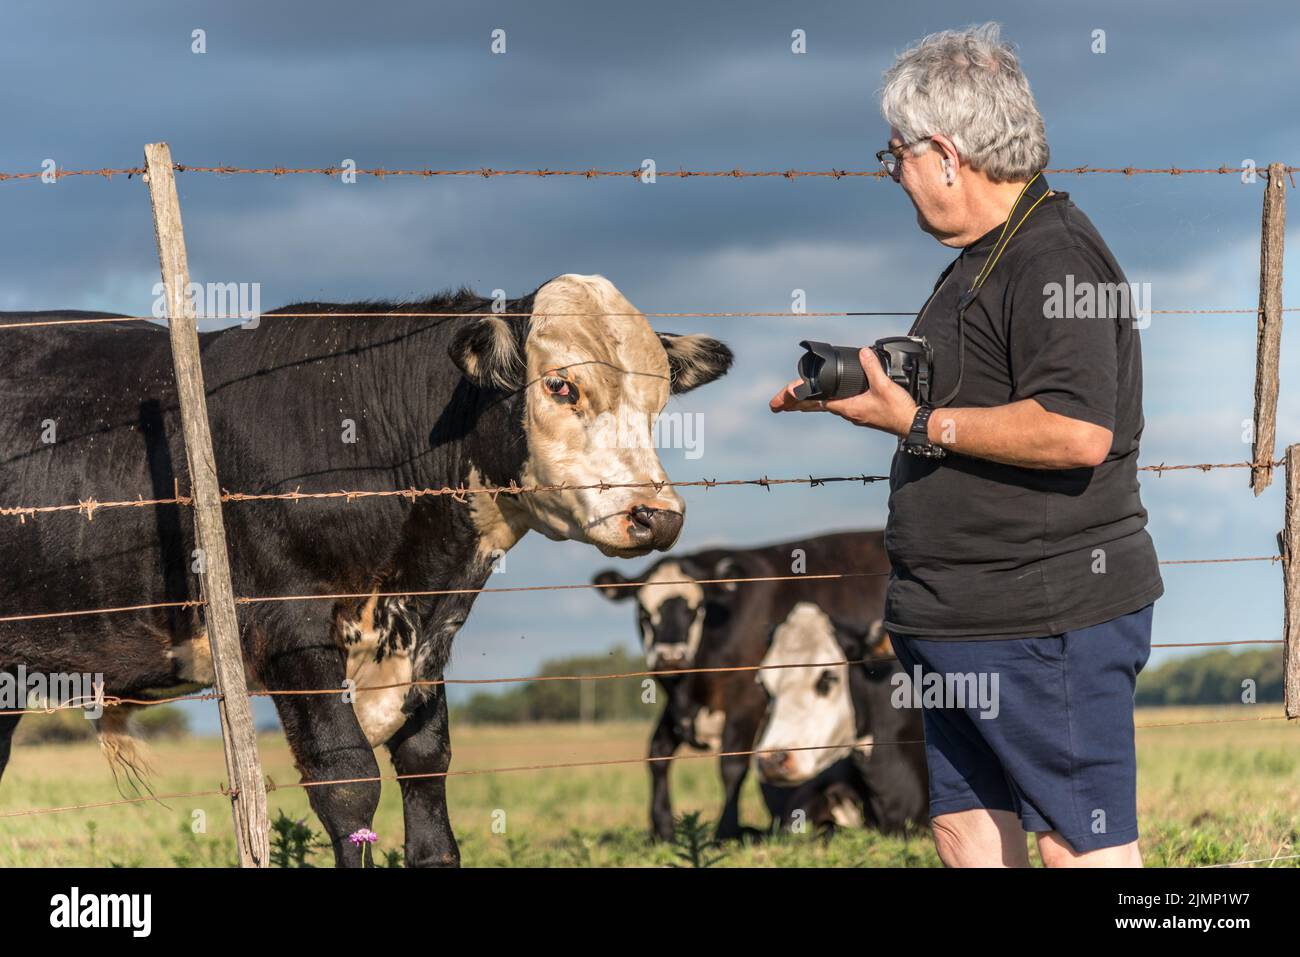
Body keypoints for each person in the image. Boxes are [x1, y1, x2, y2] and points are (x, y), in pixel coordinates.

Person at [770, 22, 1162, 867]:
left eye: (897, 155)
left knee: (1078, 847)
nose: (894, 174)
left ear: (946, 154)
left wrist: (913, 423)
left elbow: (1076, 429)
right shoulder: (984, 259)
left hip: (1044, 616)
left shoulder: (1055, 257)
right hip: (960, 619)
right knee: (965, 830)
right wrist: (871, 392)